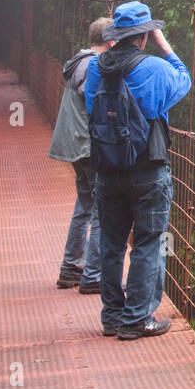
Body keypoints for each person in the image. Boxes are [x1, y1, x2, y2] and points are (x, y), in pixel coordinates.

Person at [85, 1, 191, 340]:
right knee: (148, 241)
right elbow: (184, 80)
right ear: (145, 36)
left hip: (106, 168)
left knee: (112, 242)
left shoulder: (94, 69)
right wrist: (165, 46)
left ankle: (112, 317)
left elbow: (91, 109)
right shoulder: (156, 69)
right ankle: (137, 319)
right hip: (147, 168)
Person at [48, 16, 114, 293]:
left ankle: (71, 268)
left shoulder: (79, 60)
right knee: (101, 211)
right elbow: (95, 104)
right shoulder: (93, 65)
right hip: (88, 146)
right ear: (111, 41)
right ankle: (93, 275)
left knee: (85, 205)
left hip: (77, 145)